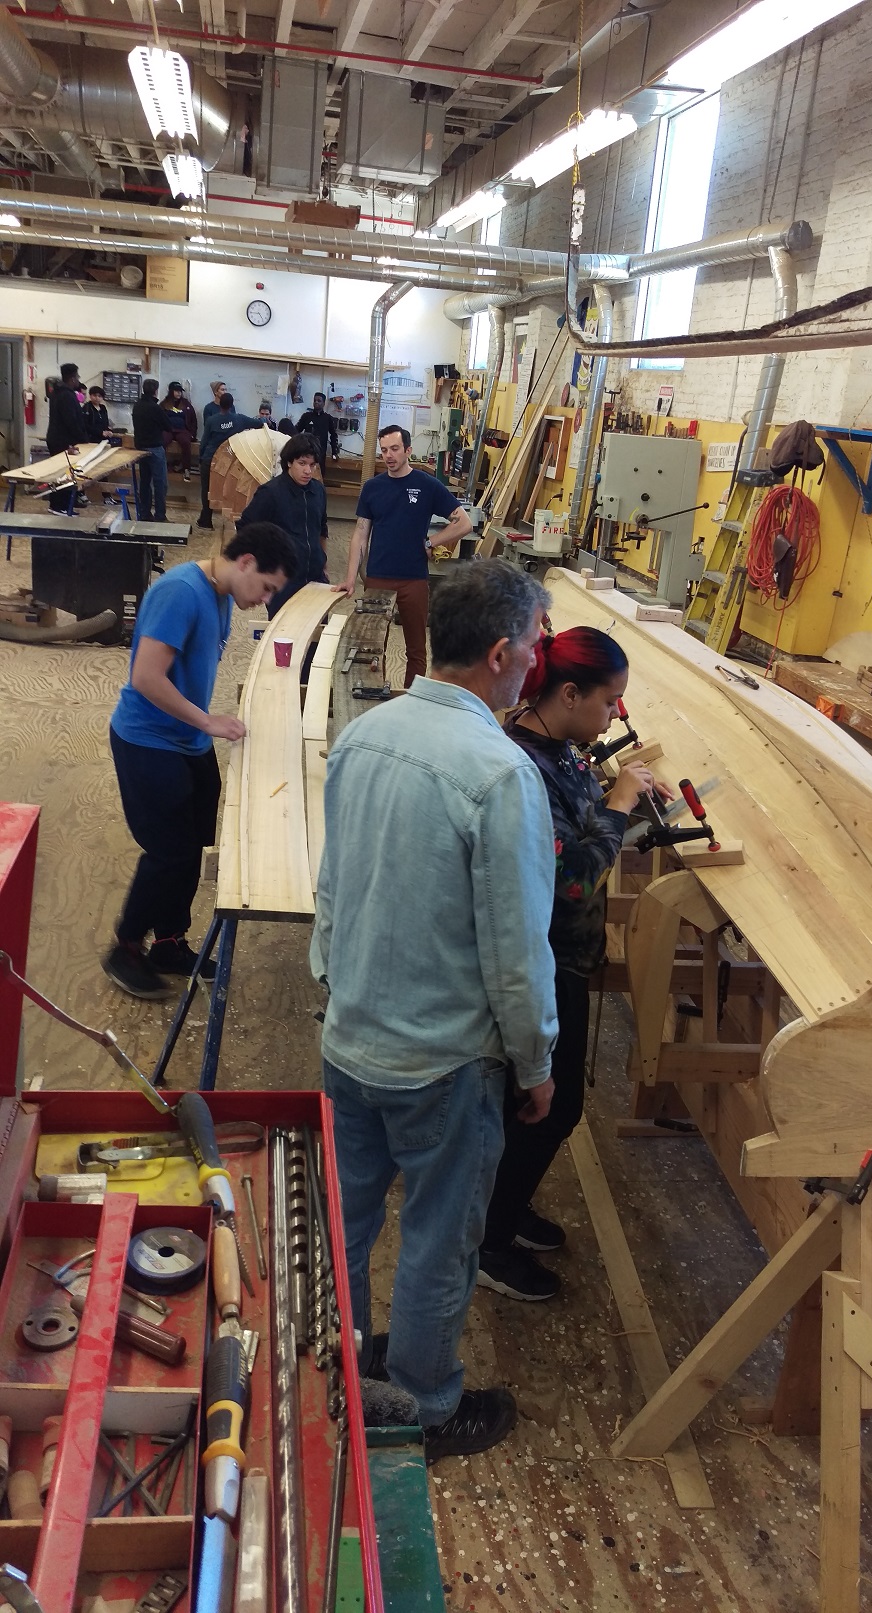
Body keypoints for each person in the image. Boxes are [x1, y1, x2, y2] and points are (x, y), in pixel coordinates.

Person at [311, 560, 558, 1462]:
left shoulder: (363, 735)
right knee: (438, 1242)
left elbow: (331, 889)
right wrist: (534, 1063)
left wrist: (336, 990)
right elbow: (516, 952)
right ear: (501, 652)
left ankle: (328, 1376)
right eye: (533, 646)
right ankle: (419, 1403)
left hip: (351, 1038)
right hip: (442, 1063)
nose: (535, 663)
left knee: (345, 1223)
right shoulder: (500, 773)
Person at [478, 627, 668, 1301]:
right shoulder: (527, 767)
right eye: (610, 701)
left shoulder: (558, 746)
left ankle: (505, 1209)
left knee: (546, 1109)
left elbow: (583, 826)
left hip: (569, 958)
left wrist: (627, 804)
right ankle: (489, 1244)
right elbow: (573, 883)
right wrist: (617, 807)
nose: (616, 713)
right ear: (569, 693)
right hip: (546, 961)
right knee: (544, 1110)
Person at [104, 523, 297, 1000]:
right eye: (267, 587)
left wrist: (201, 729)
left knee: (193, 847)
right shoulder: (180, 593)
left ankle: (168, 942)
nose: (264, 599)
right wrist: (208, 721)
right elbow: (147, 677)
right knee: (168, 851)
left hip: (187, 742)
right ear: (246, 562)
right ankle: (125, 948)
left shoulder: (222, 595)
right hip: (148, 741)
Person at [336, 425, 473, 687]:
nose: (389, 455)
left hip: (414, 580)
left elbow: (463, 523)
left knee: (416, 650)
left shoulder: (427, 486)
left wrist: (431, 540)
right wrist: (350, 578)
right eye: (384, 450)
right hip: (378, 577)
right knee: (371, 646)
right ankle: (374, 694)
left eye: (395, 449)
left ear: (408, 450)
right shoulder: (372, 488)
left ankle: (413, 701)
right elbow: (360, 534)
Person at [236, 434, 329, 617]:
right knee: (284, 637)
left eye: (312, 465)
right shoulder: (270, 493)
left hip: (315, 578)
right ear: (288, 463)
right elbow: (245, 528)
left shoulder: (318, 491)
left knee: (318, 637)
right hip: (284, 581)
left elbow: (322, 528)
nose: (308, 471)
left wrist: (324, 564)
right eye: (302, 463)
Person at [196, 393, 257, 530]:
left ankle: (205, 520)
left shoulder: (212, 420)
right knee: (232, 490)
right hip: (228, 462)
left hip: (210, 459)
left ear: (219, 404)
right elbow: (260, 423)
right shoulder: (239, 419)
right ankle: (236, 521)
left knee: (207, 490)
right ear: (232, 404)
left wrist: (201, 459)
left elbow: (204, 442)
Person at [132, 379, 174, 523]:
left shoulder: (137, 406)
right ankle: (160, 515)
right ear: (155, 390)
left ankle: (145, 513)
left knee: (145, 482)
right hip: (155, 448)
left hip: (140, 448)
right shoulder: (155, 408)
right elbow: (168, 426)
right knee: (160, 483)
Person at [46, 363, 84, 512]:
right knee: (63, 475)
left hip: (56, 438)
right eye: (77, 377)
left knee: (61, 474)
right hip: (62, 441)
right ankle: (59, 506)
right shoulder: (67, 395)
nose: (78, 380)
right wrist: (82, 438)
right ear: (73, 378)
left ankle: (59, 505)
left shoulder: (57, 392)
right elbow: (71, 421)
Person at [162, 382, 198, 482]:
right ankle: (162, 466)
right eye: (176, 391)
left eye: (180, 391)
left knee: (186, 442)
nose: (179, 393)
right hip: (168, 429)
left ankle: (186, 468)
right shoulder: (164, 403)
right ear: (171, 391)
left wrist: (192, 434)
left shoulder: (186, 404)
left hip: (182, 430)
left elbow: (193, 420)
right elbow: (159, 418)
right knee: (162, 441)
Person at [295, 392, 338, 469]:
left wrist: (334, 452)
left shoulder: (328, 418)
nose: (316, 402)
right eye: (315, 400)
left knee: (319, 474)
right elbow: (296, 431)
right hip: (306, 451)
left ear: (324, 403)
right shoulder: (306, 416)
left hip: (320, 452)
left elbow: (333, 435)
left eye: (319, 401)